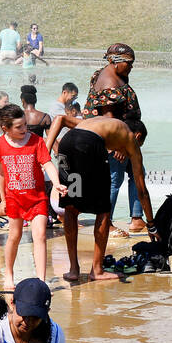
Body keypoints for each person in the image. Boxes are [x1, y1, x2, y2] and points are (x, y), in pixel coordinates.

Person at [46, 111, 156, 282]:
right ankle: (96, 270)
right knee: (104, 210)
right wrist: (152, 225)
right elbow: (141, 190)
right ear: (138, 136)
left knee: (71, 207)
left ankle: (74, 269)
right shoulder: (129, 137)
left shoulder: (99, 123)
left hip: (66, 144)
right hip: (89, 145)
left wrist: (44, 154)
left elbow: (60, 119)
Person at [0, 103, 65, 287]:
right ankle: (9, 273)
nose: (25, 129)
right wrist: (2, 199)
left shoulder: (36, 141)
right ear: (5, 128)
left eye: (25, 124)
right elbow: (0, 174)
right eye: (19, 127)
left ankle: (41, 281)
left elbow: (47, 164)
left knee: (39, 236)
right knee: (14, 236)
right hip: (14, 198)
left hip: (37, 197)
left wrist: (56, 184)